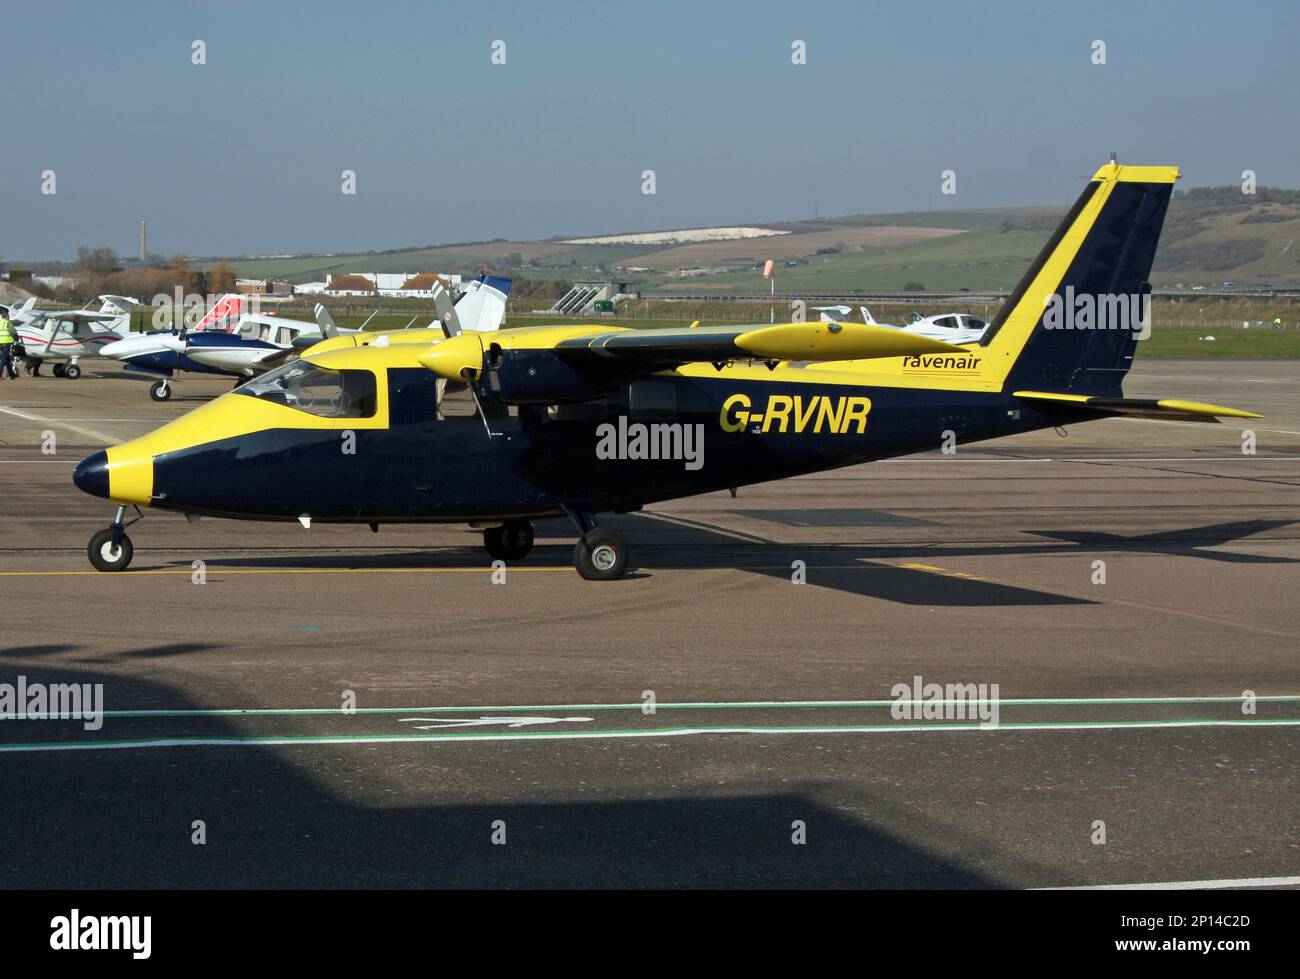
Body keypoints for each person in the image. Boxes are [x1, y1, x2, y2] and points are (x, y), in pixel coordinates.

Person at [0, 306, 18, 380]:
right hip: (6, 343)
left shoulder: (0, 322)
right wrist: (16, 339)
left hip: (0, 343)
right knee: (4, 360)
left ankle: (12, 374)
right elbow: (13, 333)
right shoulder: (8, 323)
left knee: (6, 359)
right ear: (7, 316)